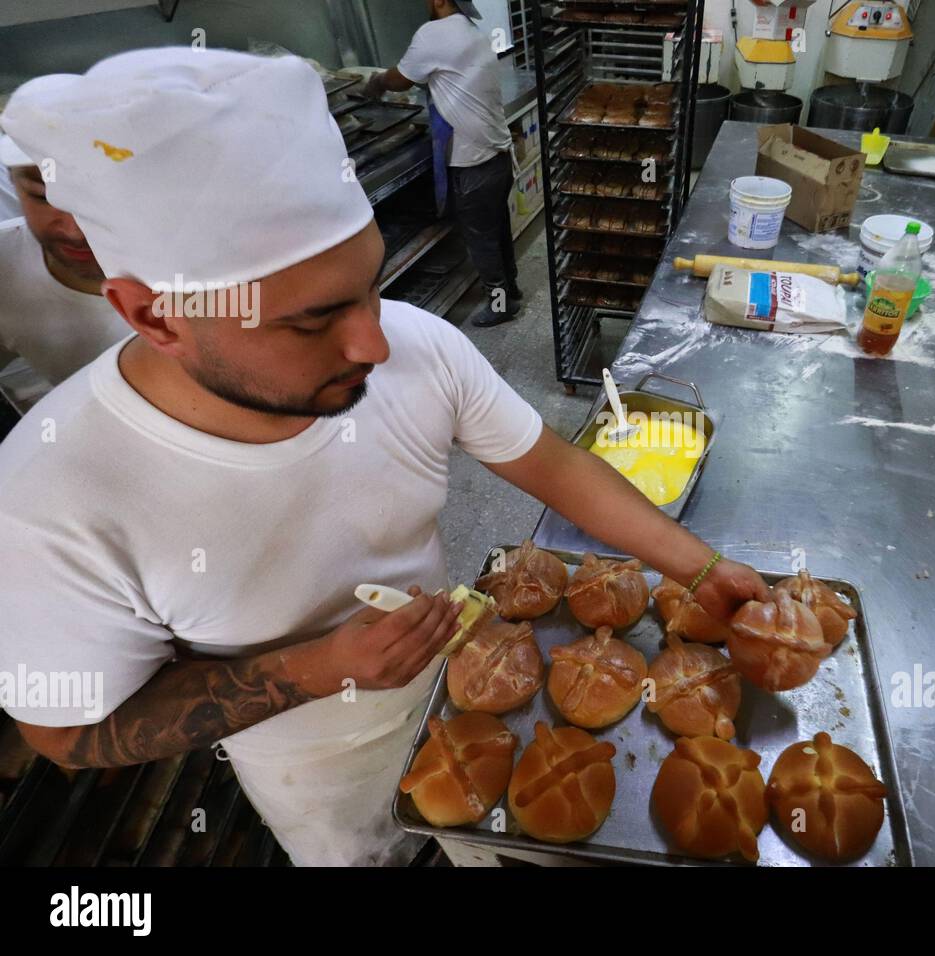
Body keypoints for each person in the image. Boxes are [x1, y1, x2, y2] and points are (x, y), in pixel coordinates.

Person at [0, 47, 769, 867]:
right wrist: (313, 669)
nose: (373, 341)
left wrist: (697, 565)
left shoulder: (417, 345)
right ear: (154, 317)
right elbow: (66, 732)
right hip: (316, 771)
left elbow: (553, 465)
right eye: (309, 321)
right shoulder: (48, 500)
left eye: (370, 286)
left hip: (466, 683)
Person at [365, 0, 521, 329]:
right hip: (498, 158)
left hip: (473, 163)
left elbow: (400, 80)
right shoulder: (471, 32)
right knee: (497, 229)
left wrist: (376, 83)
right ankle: (511, 290)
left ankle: (500, 303)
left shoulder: (433, 34)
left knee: (481, 238)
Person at [0, 134, 126, 387]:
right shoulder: (5, 267)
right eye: (42, 197)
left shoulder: (216, 282)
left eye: (104, 198)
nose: (74, 231)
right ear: (13, 183)